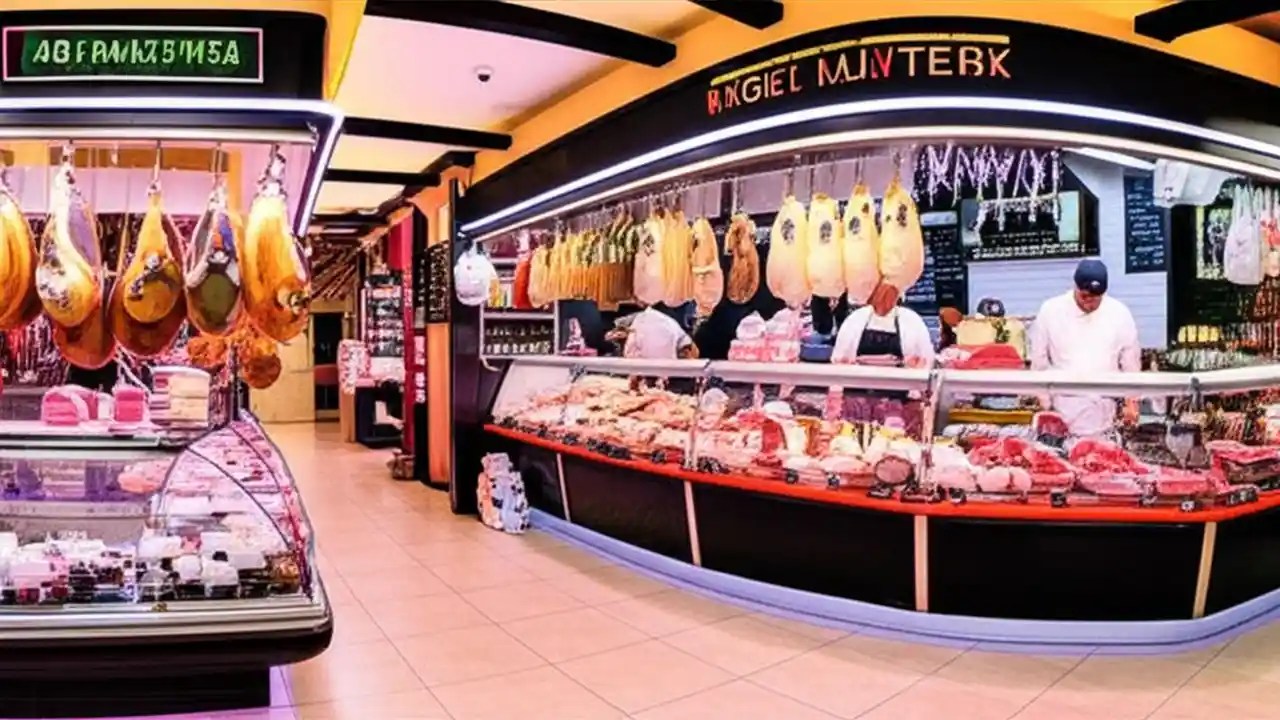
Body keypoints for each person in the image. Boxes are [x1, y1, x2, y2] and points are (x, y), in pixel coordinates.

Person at [1029, 258, 1140, 437]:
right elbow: (1038, 361)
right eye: (1084, 297)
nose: (1089, 303)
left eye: (1095, 298)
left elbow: (1130, 363)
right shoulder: (1051, 311)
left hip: (1105, 411)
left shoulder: (1120, 313)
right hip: (1063, 411)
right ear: (1075, 286)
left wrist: (1131, 402)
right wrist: (1046, 405)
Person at [830, 284, 935, 367]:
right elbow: (839, 357)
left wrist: (916, 366)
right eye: (882, 295)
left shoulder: (911, 319)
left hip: (900, 386)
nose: (885, 300)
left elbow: (926, 358)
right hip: (859, 385)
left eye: (889, 295)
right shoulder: (856, 318)